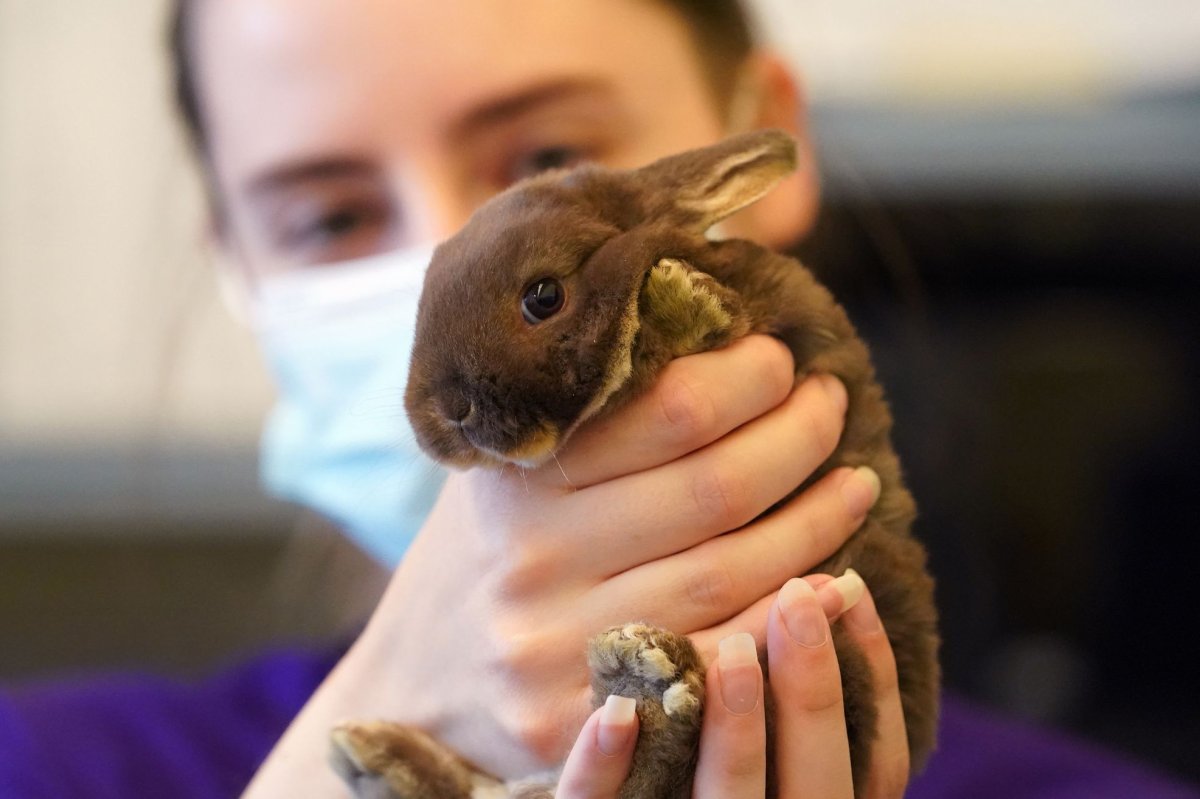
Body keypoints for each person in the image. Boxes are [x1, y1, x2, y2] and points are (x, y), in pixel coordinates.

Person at [1, 1, 1197, 798]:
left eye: (543, 163)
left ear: (755, 141)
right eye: (331, 216)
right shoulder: (51, 767)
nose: (445, 253)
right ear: (235, 259)